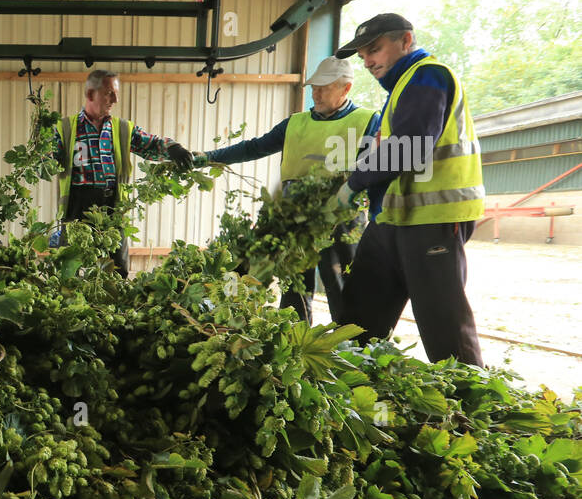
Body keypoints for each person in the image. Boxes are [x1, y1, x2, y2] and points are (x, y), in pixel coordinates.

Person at [334, 13, 484, 366]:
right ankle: (347, 388)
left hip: (432, 221)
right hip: (392, 221)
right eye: (363, 56)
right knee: (357, 319)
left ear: (405, 41)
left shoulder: (427, 77)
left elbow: (409, 147)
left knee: (443, 324)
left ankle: (470, 406)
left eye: (375, 50)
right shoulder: (400, 91)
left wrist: (353, 183)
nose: (369, 61)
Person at [203, 56, 376, 322]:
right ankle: (298, 344)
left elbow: (379, 168)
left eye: (324, 87)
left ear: (346, 88)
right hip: (293, 217)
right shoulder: (295, 123)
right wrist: (207, 157)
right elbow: (253, 147)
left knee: (344, 287)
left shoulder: (368, 121)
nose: (315, 93)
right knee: (295, 286)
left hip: (341, 220)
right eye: (313, 87)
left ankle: (351, 348)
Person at [52, 69, 197, 277]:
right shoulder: (64, 128)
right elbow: (45, 162)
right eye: (109, 93)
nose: (115, 99)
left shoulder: (122, 129)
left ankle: (114, 309)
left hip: (113, 208)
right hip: (75, 209)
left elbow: (151, 143)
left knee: (117, 270)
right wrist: (42, 158)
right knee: (68, 271)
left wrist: (172, 147)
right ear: (91, 94)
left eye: (116, 93)